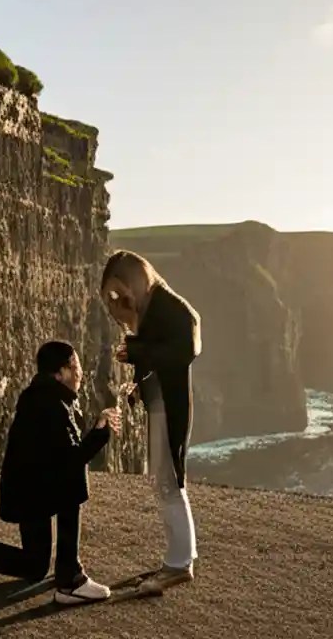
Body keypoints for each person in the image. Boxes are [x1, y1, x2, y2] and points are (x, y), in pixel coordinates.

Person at [0, 341, 122, 605]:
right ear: (59, 373)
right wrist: (101, 431)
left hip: (32, 488)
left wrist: (96, 425)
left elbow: (64, 449)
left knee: (35, 567)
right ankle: (70, 579)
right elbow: (73, 458)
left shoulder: (46, 396)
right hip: (33, 493)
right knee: (73, 480)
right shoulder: (51, 404)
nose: (81, 372)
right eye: (75, 366)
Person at [100, 249, 201, 594]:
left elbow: (186, 347)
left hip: (171, 406)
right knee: (165, 481)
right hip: (160, 403)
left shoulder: (171, 309)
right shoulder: (152, 308)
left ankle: (179, 563)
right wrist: (137, 383)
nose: (115, 304)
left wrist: (138, 353)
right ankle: (177, 559)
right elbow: (159, 353)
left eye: (118, 295)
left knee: (170, 482)